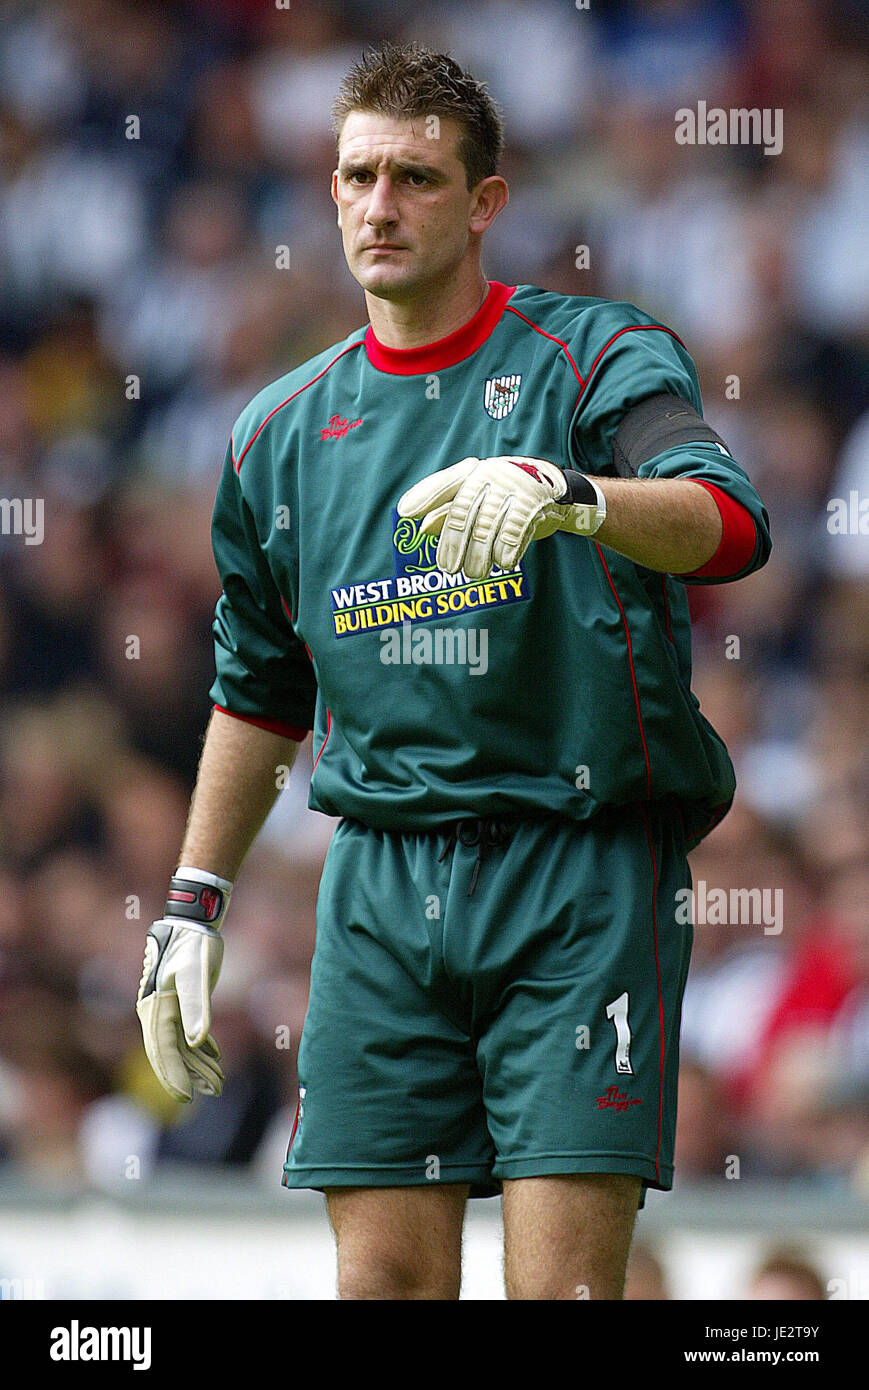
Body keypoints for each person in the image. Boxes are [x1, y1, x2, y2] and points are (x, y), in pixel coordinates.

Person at [135, 42, 771, 1300]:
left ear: (484, 202)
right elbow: (258, 690)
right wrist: (193, 896)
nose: (380, 206)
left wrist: (577, 496)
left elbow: (732, 519)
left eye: (416, 179)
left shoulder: (590, 355)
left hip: (578, 871)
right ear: (327, 192)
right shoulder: (274, 433)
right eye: (359, 176)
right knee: (381, 1289)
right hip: (378, 883)